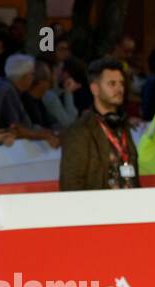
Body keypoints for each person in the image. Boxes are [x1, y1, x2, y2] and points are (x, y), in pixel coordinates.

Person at [59, 58, 141, 191]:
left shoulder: (123, 125)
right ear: (95, 89)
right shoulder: (79, 131)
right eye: (112, 84)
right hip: (98, 209)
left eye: (121, 83)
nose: (119, 88)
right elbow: (70, 185)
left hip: (130, 207)